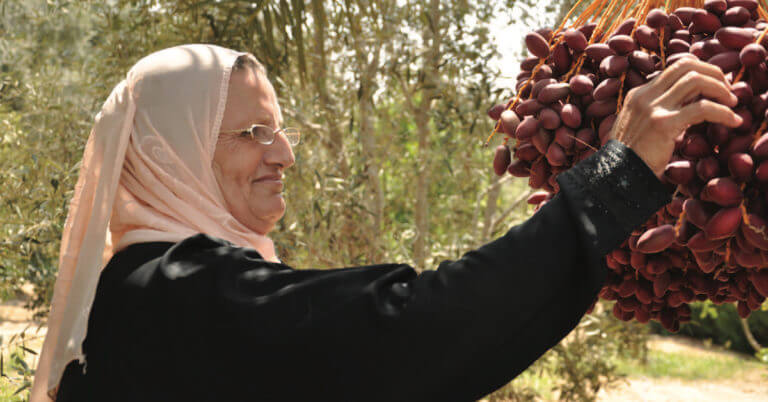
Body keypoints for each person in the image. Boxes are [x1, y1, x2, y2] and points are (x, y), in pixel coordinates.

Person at [30, 44, 742, 402]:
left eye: (281, 131)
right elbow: (413, 330)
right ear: (168, 152)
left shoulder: (141, 288)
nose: (283, 154)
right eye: (250, 132)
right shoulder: (177, 292)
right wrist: (618, 180)